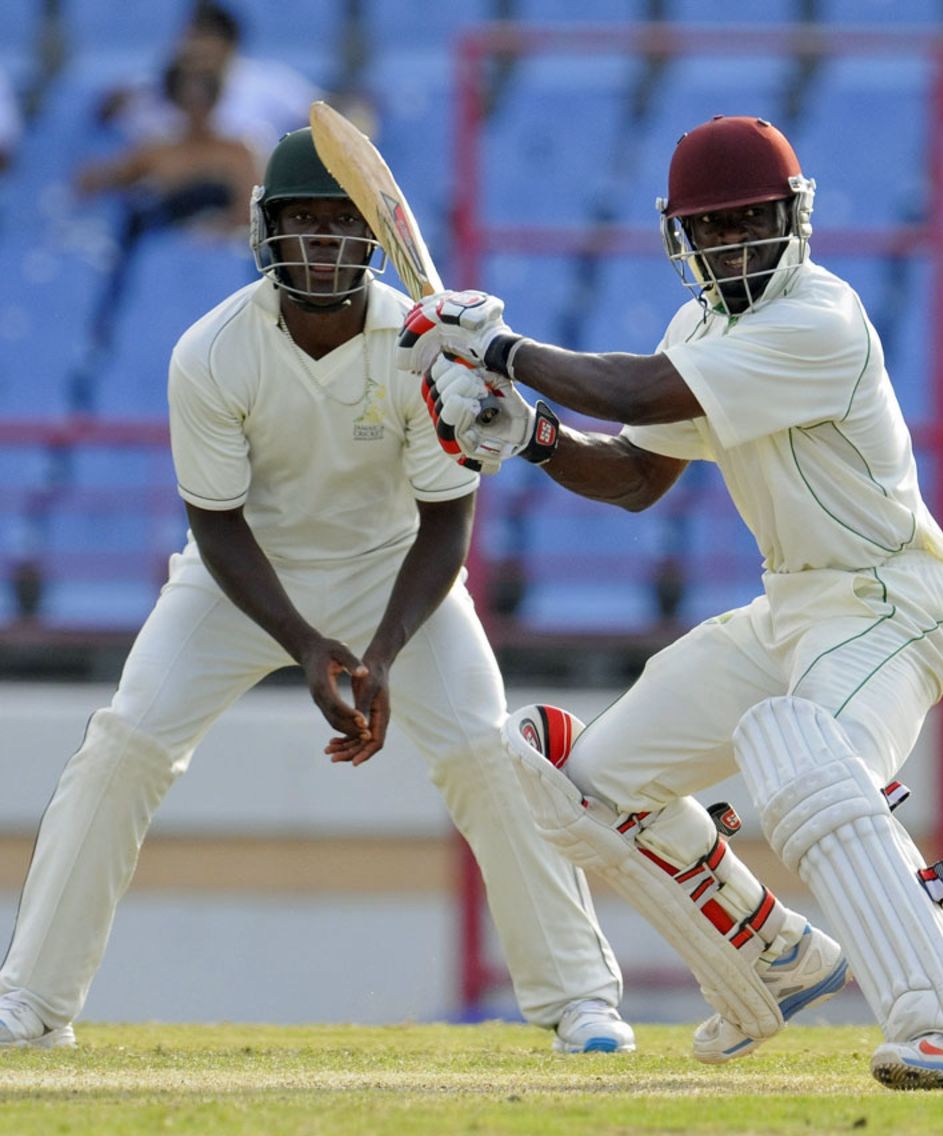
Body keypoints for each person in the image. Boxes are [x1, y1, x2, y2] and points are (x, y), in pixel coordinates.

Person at [403, 115, 943, 1090]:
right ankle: (775, 955)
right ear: (679, 234)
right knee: (574, 781)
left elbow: (647, 393)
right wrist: (533, 438)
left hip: (891, 602)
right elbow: (640, 474)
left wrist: (503, 349)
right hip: (791, 607)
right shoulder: (700, 326)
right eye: (716, 228)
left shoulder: (820, 317)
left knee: (801, 750)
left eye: (753, 222)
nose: (735, 245)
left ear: (795, 217)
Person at [0, 128, 633, 1055]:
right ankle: (31, 1003)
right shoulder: (211, 352)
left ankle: (581, 1001)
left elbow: (447, 522)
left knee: (490, 756)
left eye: (343, 224)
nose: (326, 243)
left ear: (373, 238)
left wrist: (378, 655)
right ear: (268, 233)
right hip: (245, 574)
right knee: (126, 743)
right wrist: (306, 645)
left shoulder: (424, 347)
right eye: (306, 222)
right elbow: (216, 524)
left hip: (396, 568)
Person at [99, 1, 322, 162]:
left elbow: (325, 116)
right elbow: (106, 119)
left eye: (201, 38)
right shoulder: (154, 86)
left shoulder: (270, 84)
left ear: (227, 43)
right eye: (188, 38)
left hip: (242, 189)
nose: (191, 47)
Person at [76, 53, 261, 237]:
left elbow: (252, 209)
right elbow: (102, 181)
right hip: (164, 248)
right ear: (176, 99)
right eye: (189, 98)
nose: (196, 106)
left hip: (220, 247)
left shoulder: (238, 153)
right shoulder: (155, 151)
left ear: (215, 98)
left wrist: (219, 227)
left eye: (203, 96)